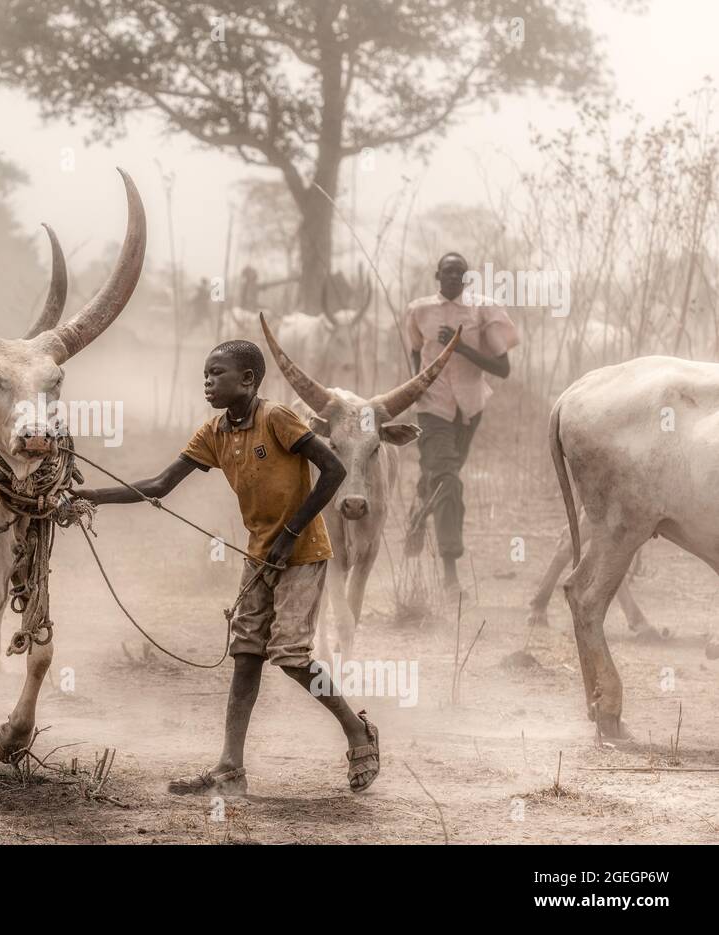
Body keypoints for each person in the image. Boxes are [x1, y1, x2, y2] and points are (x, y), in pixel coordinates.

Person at [73, 340, 380, 796]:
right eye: (205, 375)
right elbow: (160, 484)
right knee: (246, 655)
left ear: (248, 380)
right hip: (259, 554)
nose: (208, 382)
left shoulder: (277, 418)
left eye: (217, 373)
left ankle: (357, 732)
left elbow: (333, 470)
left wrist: (292, 531)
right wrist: (91, 496)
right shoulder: (213, 433)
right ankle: (230, 767)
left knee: (292, 656)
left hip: (302, 552)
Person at [404, 253, 520, 594]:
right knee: (449, 482)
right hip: (432, 408)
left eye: (460, 272)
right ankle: (451, 575)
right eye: (447, 271)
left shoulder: (484, 310)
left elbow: (503, 369)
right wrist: (417, 385)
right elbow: (415, 351)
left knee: (439, 476)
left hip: (469, 408)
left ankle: (416, 516)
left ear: (467, 278)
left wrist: (462, 347)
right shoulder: (418, 310)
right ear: (436, 274)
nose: (453, 276)